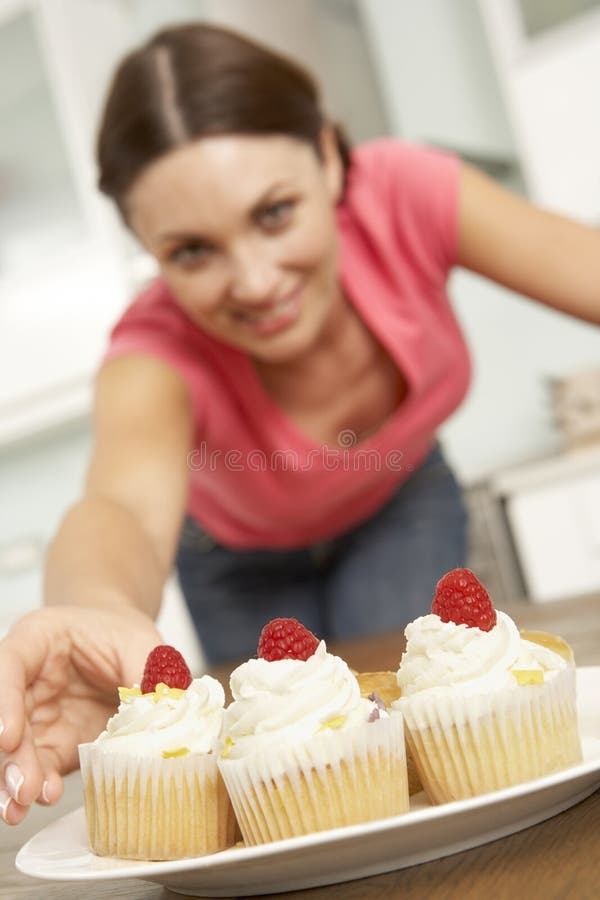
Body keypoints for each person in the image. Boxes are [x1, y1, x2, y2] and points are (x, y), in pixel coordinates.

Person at [1, 22, 599, 828]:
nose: (253, 281)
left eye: (275, 213)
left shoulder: (407, 195)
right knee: (292, 793)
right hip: (235, 563)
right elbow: (121, 509)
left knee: (432, 745)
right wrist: (92, 607)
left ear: (327, 155)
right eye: (191, 252)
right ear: (147, 247)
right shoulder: (153, 351)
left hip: (400, 502)